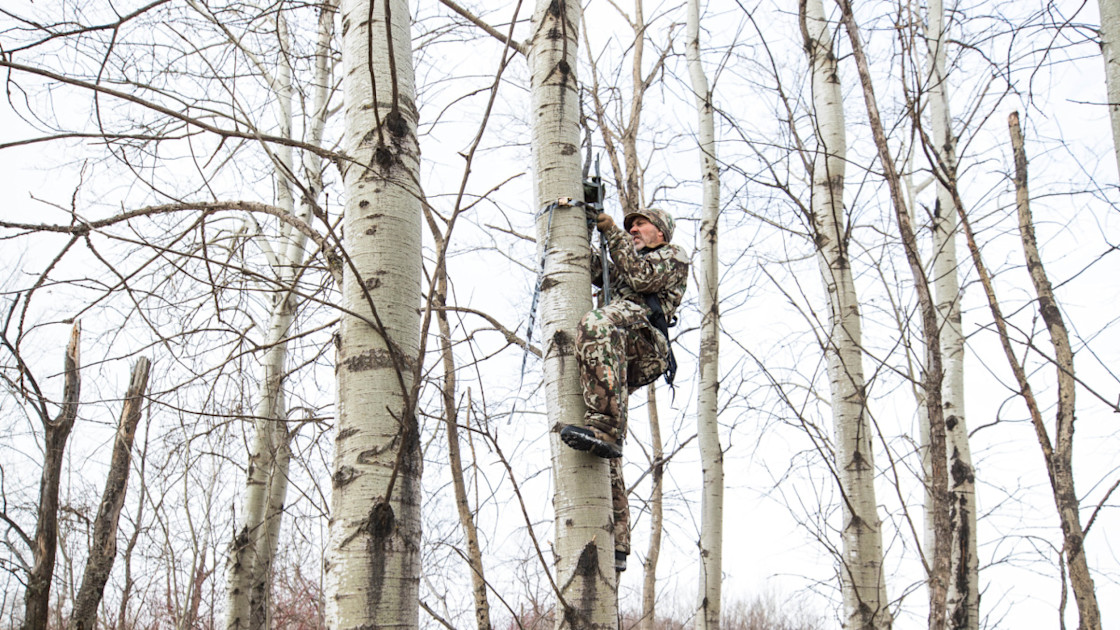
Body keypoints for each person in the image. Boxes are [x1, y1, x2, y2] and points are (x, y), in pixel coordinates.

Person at [557, 204, 689, 571]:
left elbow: (642, 278)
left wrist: (612, 229)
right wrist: (579, 233)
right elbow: (606, 272)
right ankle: (618, 540)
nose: (633, 229)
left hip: (645, 341)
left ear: (660, 233)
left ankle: (606, 426)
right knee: (605, 451)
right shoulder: (630, 260)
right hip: (621, 345)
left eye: (641, 225)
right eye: (630, 225)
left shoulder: (671, 256)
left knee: (597, 321)